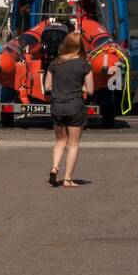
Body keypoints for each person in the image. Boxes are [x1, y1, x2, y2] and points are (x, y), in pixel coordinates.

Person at [43, 32, 93, 188]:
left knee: (59, 141)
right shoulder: (84, 65)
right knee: (73, 144)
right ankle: (67, 179)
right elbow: (90, 90)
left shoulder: (55, 63)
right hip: (75, 106)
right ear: (81, 46)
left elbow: (47, 87)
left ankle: (54, 167)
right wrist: (81, 87)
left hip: (57, 105)